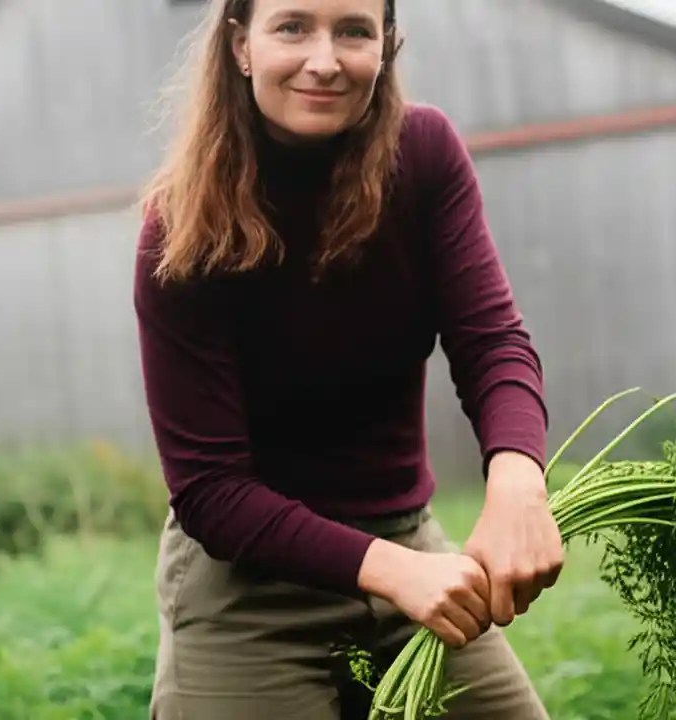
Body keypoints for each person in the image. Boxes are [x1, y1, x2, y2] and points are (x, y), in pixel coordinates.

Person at [133, 0, 563, 717]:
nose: (325, 60)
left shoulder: (422, 155)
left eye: (355, 30)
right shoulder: (181, 227)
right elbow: (210, 490)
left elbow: (491, 345)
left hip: (407, 543)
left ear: (386, 46)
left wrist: (519, 481)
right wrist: (394, 573)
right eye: (293, 26)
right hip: (249, 584)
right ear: (241, 45)